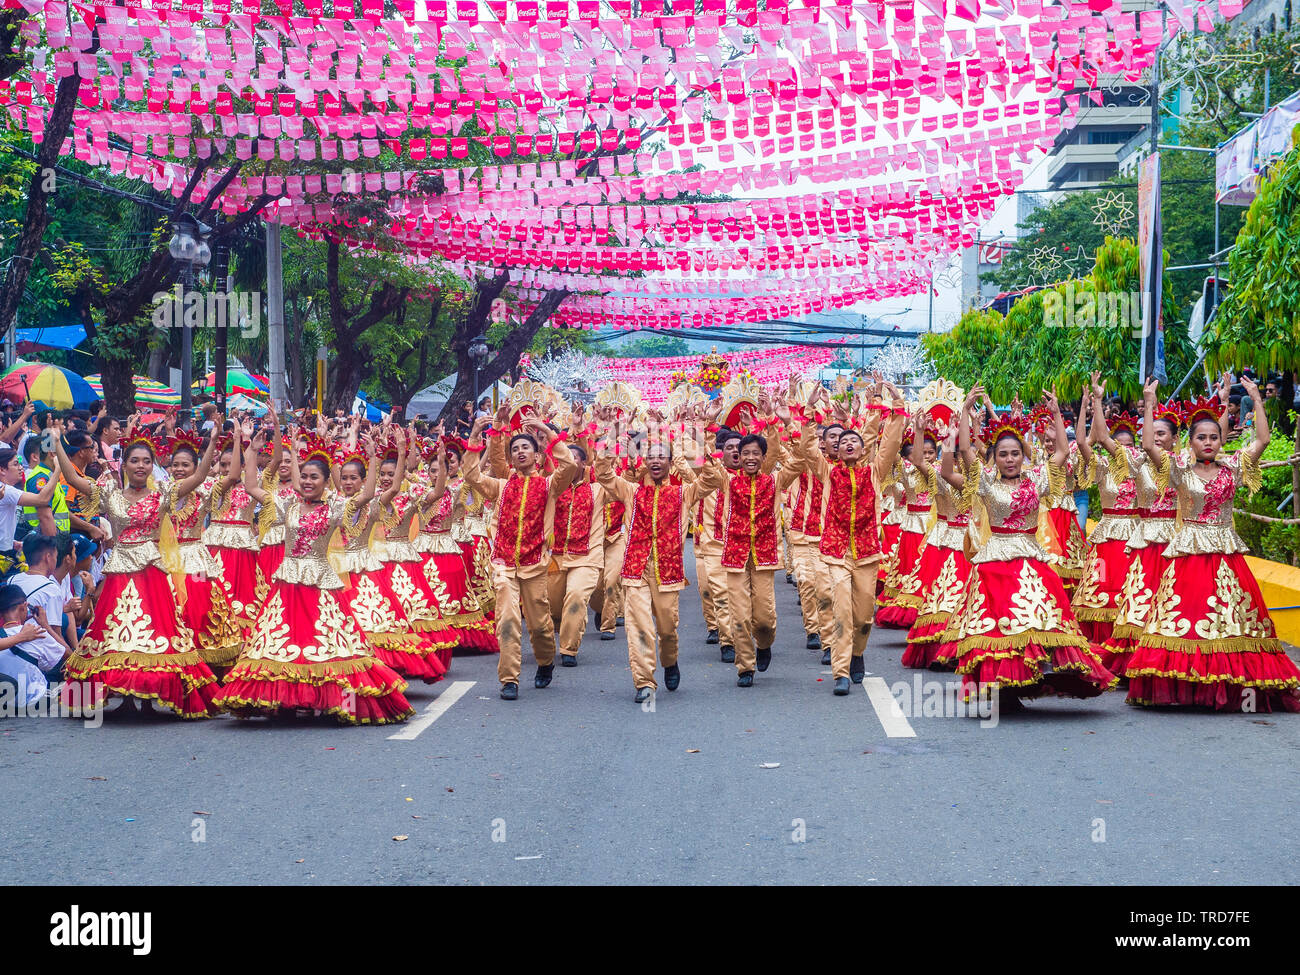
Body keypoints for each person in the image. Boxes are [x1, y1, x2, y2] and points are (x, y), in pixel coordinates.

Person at [1124, 377, 1300, 711]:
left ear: (1222, 440)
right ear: (1189, 443)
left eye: (1213, 437)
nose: (1208, 443)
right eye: (1201, 438)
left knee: (1230, 620)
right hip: (1189, 554)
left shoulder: (1233, 467)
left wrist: (1255, 400)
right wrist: (1149, 403)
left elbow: (1262, 439)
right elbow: (1148, 446)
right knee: (1187, 619)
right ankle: (1186, 685)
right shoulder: (1178, 469)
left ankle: (1228, 687)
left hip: (1225, 555)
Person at [214, 434, 415, 725]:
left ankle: (327, 699)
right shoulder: (288, 507)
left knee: (323, 644)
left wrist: (372, 458)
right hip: (287, 585)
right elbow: (252, 486)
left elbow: (368, 495)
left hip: (321, 585)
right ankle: (285, 699)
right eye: (304, 477)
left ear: (325, 482)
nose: (308, 482)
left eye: (314, 477)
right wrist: (251, 452)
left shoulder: (335, 508)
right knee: (284, 642)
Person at [942, 385, 1115, 707]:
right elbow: (963, 455)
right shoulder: (986, 483)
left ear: (1024, 456)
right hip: (994, 563)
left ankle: (1025, 678)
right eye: (1003, 454)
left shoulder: (1037, 479)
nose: (1009, 459)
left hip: (1031, 560)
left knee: (1038, 621)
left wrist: (1055, 416)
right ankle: (1001, 687)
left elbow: (1062, 453)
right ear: (994, 458)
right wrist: (965, 412)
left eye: (1015, 453)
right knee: (999, 626)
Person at [54, 423, 225, 718]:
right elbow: (70, 476)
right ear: (124, 464)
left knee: (156, 634)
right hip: (120, 574)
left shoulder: (164, 494)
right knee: (115, 635)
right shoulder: (110, 493)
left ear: (153, 465)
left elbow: (198, 477)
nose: (141, 466)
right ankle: (125, 696)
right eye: (135, 460)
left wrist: (210, 444)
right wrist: (56, 442)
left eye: (147, 461)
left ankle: (148, 697)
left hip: (152, 575)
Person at [594, 422, 721, 702]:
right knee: (639, 626)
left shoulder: (683, 493)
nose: (655, 460)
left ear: (669, 462)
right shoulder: (630, 491)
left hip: (668, 571)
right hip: (635, 569)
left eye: (661, 456)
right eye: (650, 456)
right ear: (644, 461)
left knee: (667, 629)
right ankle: (645, 682)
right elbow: (603, 473)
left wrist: (700, 442)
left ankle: (670, 660)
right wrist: (611, 438)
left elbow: (711, 480)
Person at [796, 382, 906, 694]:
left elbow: (890, 444)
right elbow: (806, 447)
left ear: (862, 448)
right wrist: (809, 410)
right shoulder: (827, 472)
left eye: (854, 441)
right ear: (836, 449)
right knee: (842, 610)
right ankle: (840, 672)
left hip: (868, 552)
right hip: (836, 552)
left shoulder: (875, 471)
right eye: (843, 441)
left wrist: (896, 408)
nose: (847, 444)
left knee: (864, 616)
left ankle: (858, 652)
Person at [462, 412, 579, 700]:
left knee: (539, 625)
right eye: (515, 449)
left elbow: (569, 465)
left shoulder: (550, 486)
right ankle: (509, 679)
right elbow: (472, 476)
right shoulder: (501, 487)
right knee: (508, 620)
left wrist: (547, 433)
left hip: (535, 565)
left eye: (526, 447)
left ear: (537, 456)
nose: (520, 452)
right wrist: (475, 435)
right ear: (511, 459)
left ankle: (545, 661)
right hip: (503, 564)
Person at [0, 446, 59, 577]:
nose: (21, 468)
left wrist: (11, 541)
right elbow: (42, 499)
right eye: (15, 464)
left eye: (20, 463)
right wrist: (58, 470)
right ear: (2, 470)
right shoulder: (6, 490)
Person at [0, 584, 52, 711]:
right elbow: (67, 656)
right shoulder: (35, 631)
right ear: (24, 606)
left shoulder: (31, 631)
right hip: (32, 699)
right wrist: (45, 626)